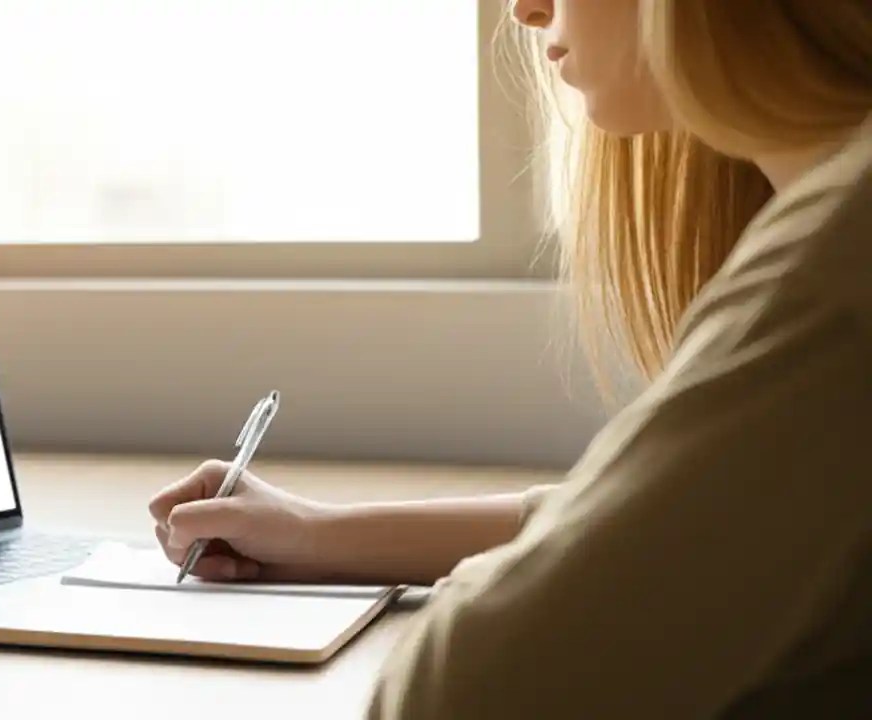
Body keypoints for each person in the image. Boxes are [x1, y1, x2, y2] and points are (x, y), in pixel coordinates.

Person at [148, 1, 872, 716]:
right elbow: (697, 526)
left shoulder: (841, 271)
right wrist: (319, 536)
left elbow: (458, 693)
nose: (526, 10)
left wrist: (506, 588)